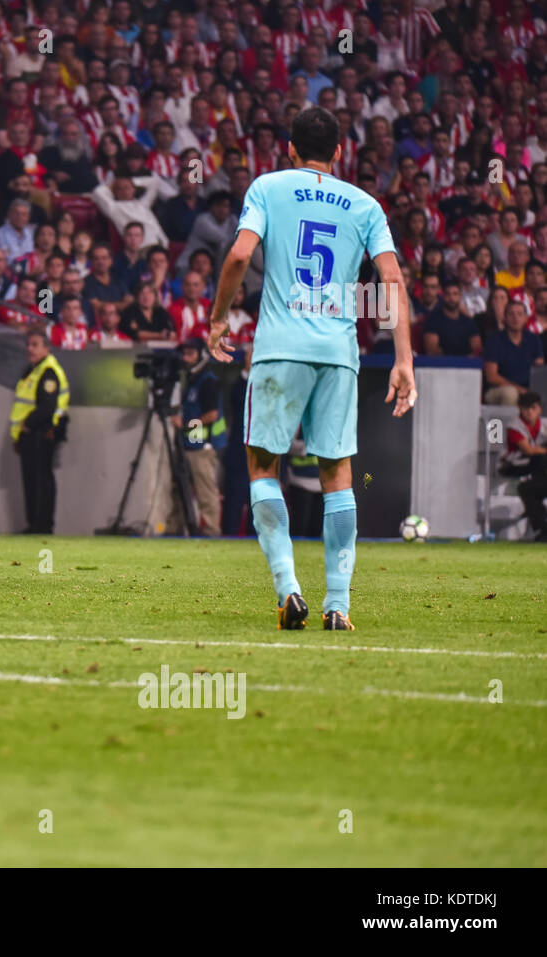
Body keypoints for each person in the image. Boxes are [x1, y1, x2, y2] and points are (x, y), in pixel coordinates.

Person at [207, 106, 416, 632]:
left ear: (290, 148)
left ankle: (288, 590)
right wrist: (404, 358)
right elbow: (391, 278)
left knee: (262, 466)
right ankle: (337, 604)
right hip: (339, 353)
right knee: (337, 474)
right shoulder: (366, 203)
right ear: (340, 152)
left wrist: (217, 321)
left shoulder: (268, 187)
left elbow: (237, 257)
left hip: (280, 348)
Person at [11, 327, 69, 534]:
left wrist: (27, 425)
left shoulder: (48, 372)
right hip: (28, 434)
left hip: (41, 433)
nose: (30, 349)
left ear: (46, 348)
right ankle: (34, 524)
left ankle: (43, 526)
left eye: (35, 345)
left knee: (41, 480)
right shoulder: (33, 369)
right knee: (31, 480)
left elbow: (47, 407)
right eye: (28, 344)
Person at [169, 337, 226, 537]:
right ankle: (177, 529)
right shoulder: (192, 380)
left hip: (202, 446)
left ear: (201, 355)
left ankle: (211, 531)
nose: (185, 358)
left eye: (190, 353)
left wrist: (184, 425)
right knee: (181, 489)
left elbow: (212, 415)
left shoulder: (208, 381)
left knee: (205, 491)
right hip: (192, 443)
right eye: (184, 353)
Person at [502, 391, 546, 541]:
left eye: (533, 408)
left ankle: (542, 528)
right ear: (520, 409)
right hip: (513, 465)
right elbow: (528, 450)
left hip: (536, 467)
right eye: (526, 408)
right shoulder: (515, 426)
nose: (529, 412)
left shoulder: (544, 425)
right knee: (540, 461)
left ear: (539, 409)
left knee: (529, 489)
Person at [483, 301, 544, 404]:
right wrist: (519, 389)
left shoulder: (533, 339)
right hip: (499, 390)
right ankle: (508, 421)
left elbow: (539, 370)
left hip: (528, 388)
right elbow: (491, 377)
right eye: (511, 314)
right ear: (505, 318)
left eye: (520, 314)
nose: (515, 318)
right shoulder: (494, 340)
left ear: (526, 318)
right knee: (510, 393)